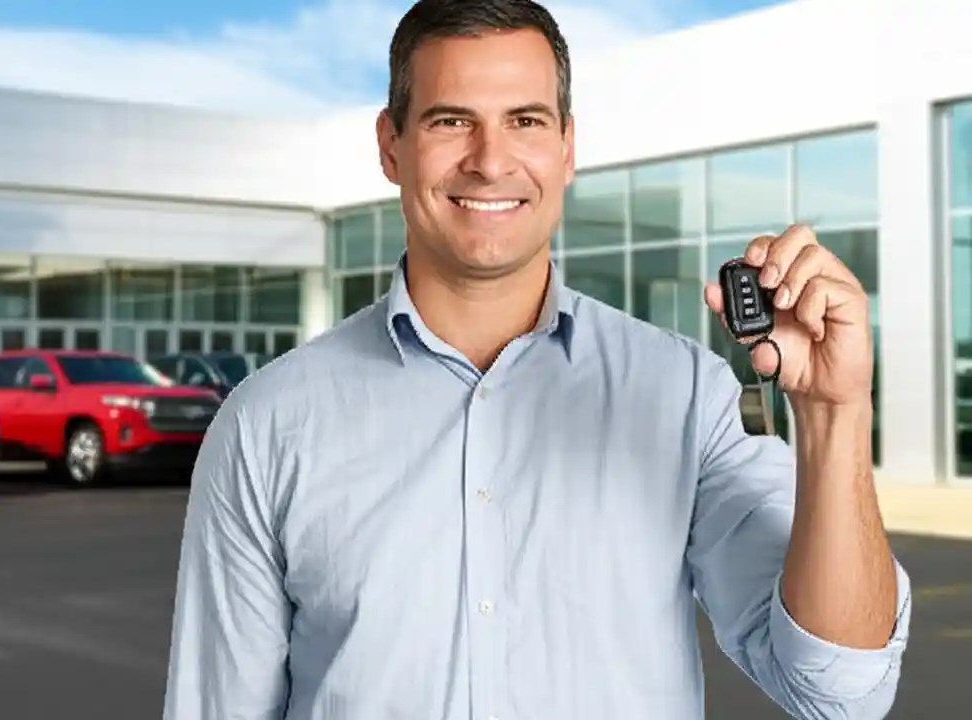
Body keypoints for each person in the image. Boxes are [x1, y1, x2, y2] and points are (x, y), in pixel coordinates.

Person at [162, 0, 911, 717]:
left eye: (525, 120)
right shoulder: (267, 423)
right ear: (391, 145)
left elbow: (840, 690)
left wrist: (832, 415)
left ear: (567, 147)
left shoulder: (685, 396)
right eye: (452, 120)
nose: (491, 162)